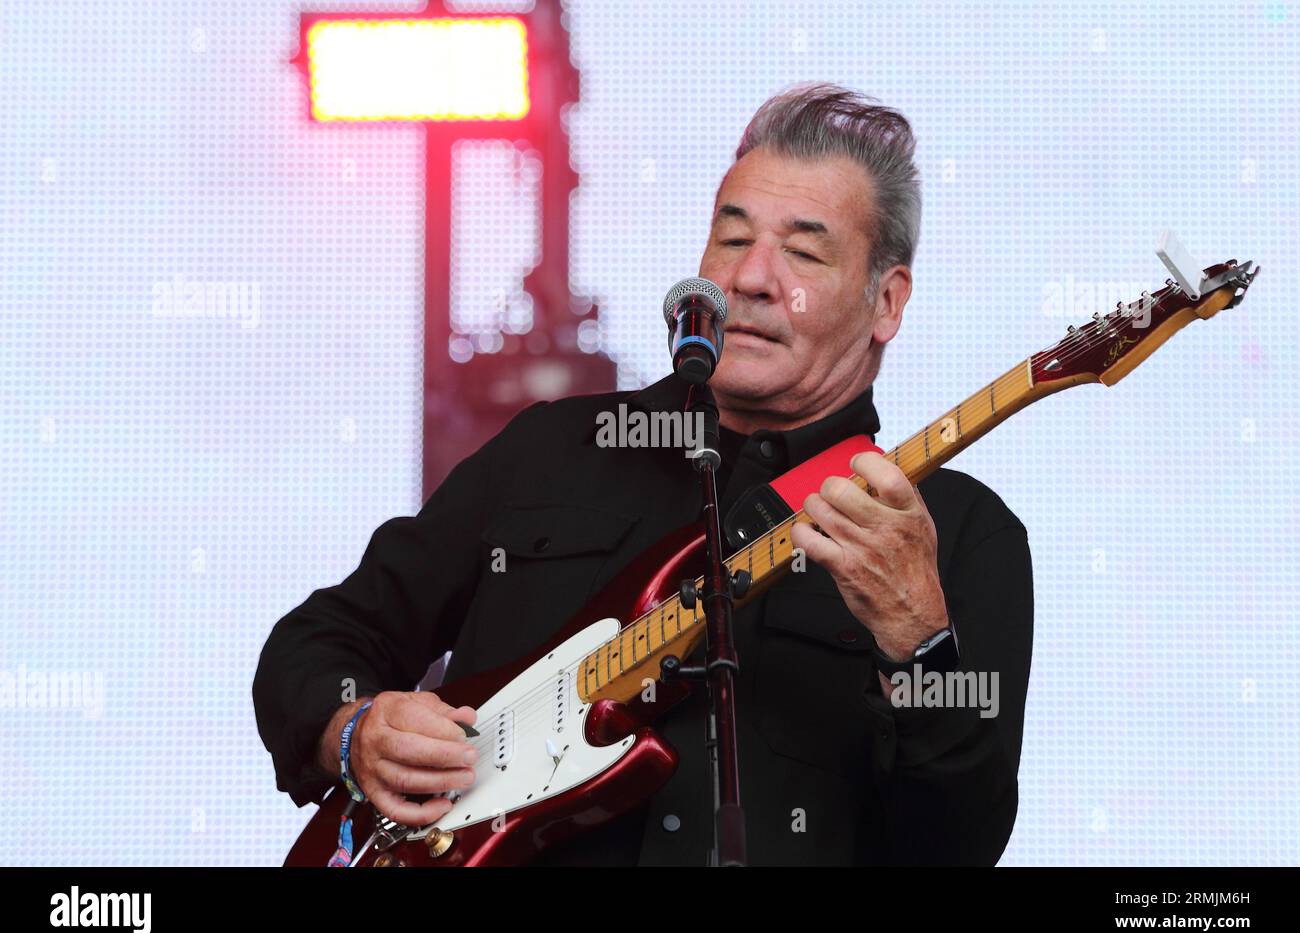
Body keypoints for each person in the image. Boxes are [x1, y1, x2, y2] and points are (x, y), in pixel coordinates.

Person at [253, 83, 1034, 865]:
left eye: (802, 251)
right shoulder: (555, 449)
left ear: (886, 303)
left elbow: (957, 842)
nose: (752, 278)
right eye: (732, 240)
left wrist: (920, 643)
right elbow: (320, 639)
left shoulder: (953, 533)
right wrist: (351, 730)